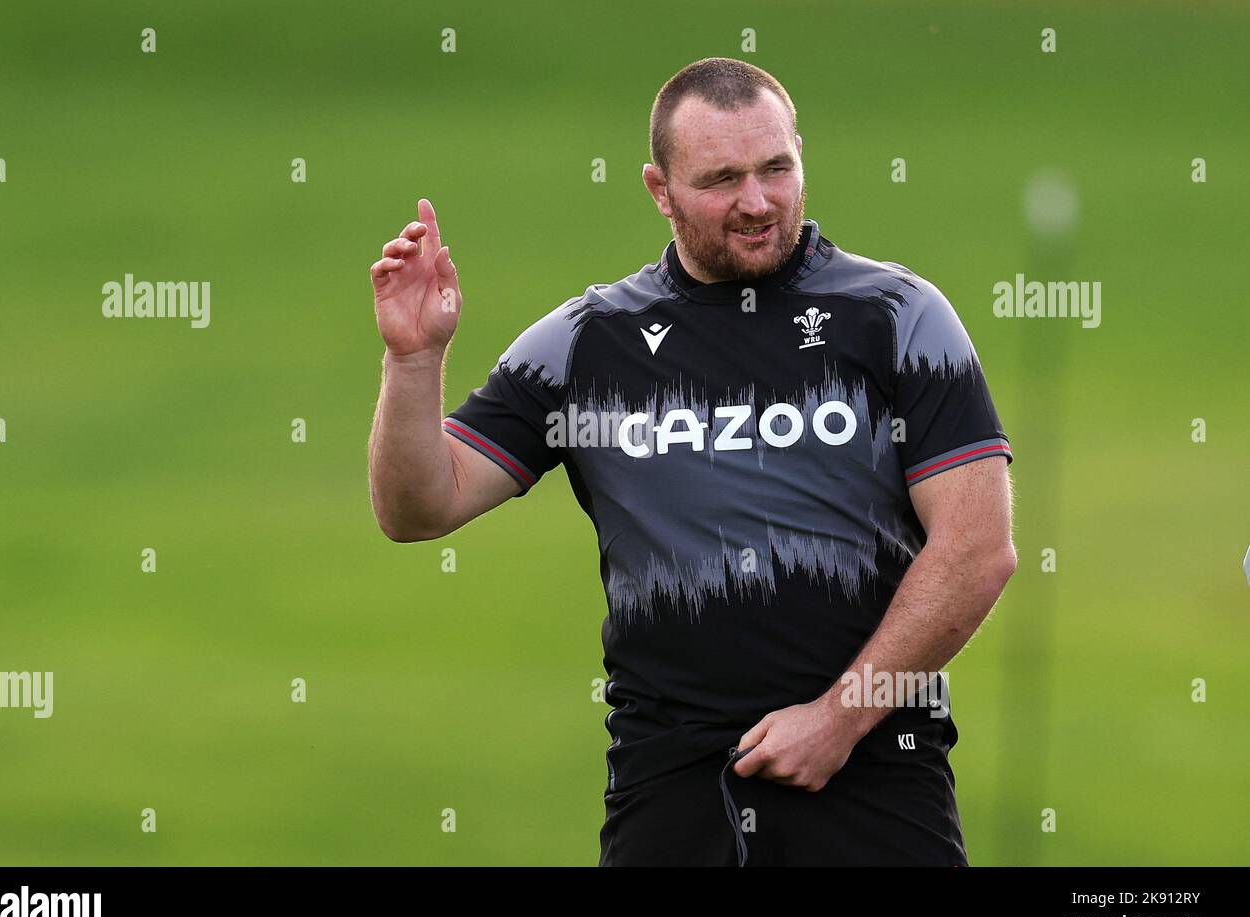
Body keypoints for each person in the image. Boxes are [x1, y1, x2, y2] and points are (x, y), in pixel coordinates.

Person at [367, 57, 1016, 866]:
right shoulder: (587, 343)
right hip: (669, 786)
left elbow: (978, 548)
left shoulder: (895, 318)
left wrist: (838, 719)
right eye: (721, 179)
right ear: (659, 189)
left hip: (875, 770)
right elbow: (419, 509)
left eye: (776, 168)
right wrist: (413, 362)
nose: (757, 201)